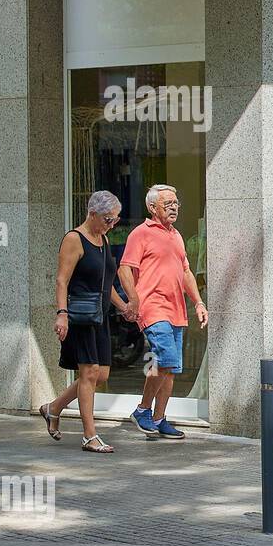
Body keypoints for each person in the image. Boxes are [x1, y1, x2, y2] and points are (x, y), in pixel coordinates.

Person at [41, 190, 137, 453]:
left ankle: (54, 408)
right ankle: (89, 436)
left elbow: (106, 285)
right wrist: (62, 313)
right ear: (92, 213)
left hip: (100, 316)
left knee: (101, 375)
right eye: (108, 219)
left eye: (116, 219)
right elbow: (62, 280)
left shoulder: (103, 240)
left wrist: (125, 307)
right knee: (89, 372)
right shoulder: (75, 239)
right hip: (80, 315)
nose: (112, 224)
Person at [118, 184, 208, 437]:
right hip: (152, 306)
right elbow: (124, 269)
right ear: (152, 207)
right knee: (165, 359)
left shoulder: (176, 235)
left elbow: (186, 272)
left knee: (170, 368)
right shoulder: (140, 234)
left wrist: (199, 302)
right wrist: (133, 300)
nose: (174, 208)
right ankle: (143, 409)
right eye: (168, 204)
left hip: (176, 309)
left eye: (176, 204)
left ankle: (159, 419)